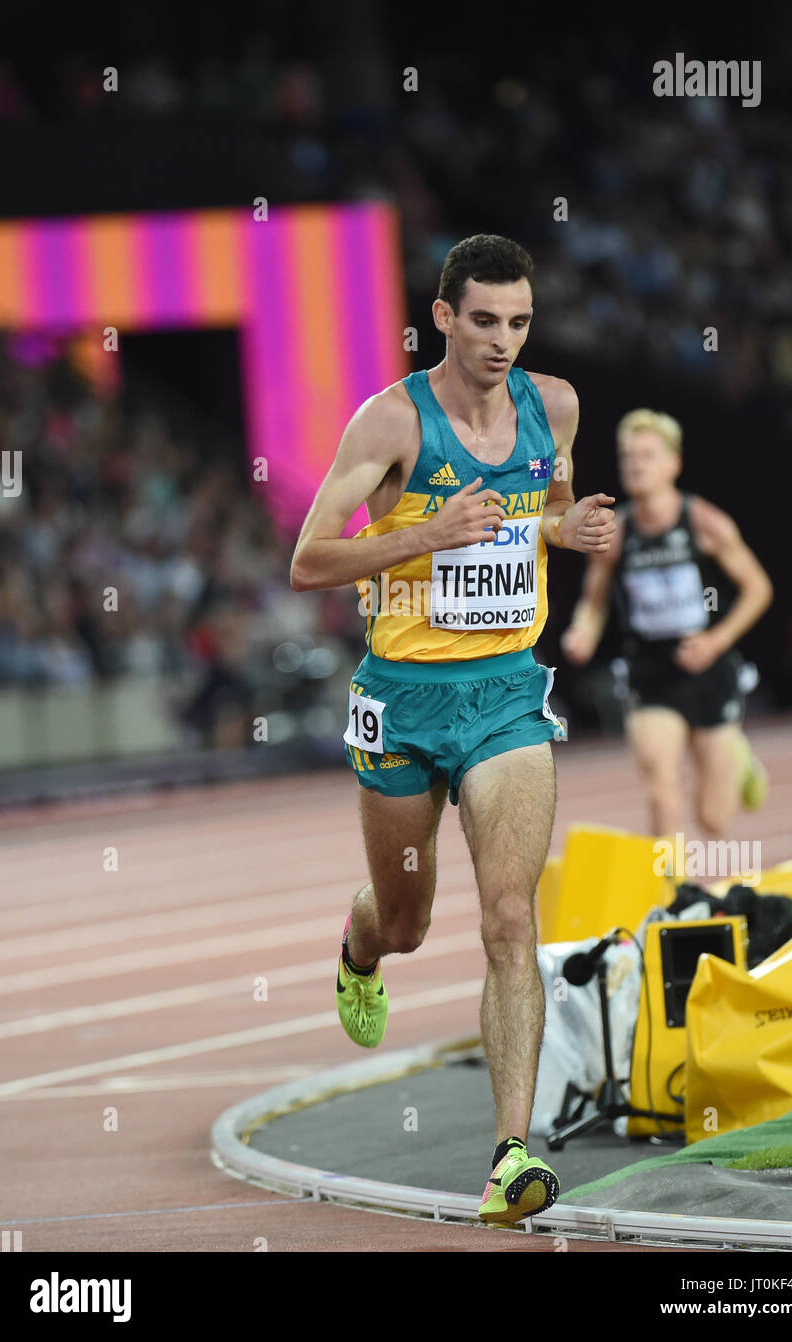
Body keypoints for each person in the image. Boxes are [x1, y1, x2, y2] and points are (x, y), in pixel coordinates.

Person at [290, 234, 616, 1224]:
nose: (501, 341)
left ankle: (509, 1156)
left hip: (507, 695)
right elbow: (307, 560)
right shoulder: (391, 420)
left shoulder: (550, 404)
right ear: (441, 316)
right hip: (402, 696)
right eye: (483, 320)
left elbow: (544, 506)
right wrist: (426, 535)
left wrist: (571, 530)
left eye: (518, 322)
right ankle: (360, 941)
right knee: (410, 920)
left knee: (510, 917)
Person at [561, 408, 772, 844]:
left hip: (709, 670)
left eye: (647, 455)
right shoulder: (617, 535)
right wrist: (583, 631)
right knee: (661, 792)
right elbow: (594, 602)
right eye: (628, 456)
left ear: (673, 463)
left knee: (714, 819)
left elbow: (758, 589)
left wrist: (716, 641)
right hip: (650, 673)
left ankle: (737, 757)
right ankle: (674, 896)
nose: (635, 464)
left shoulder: (703, 522)